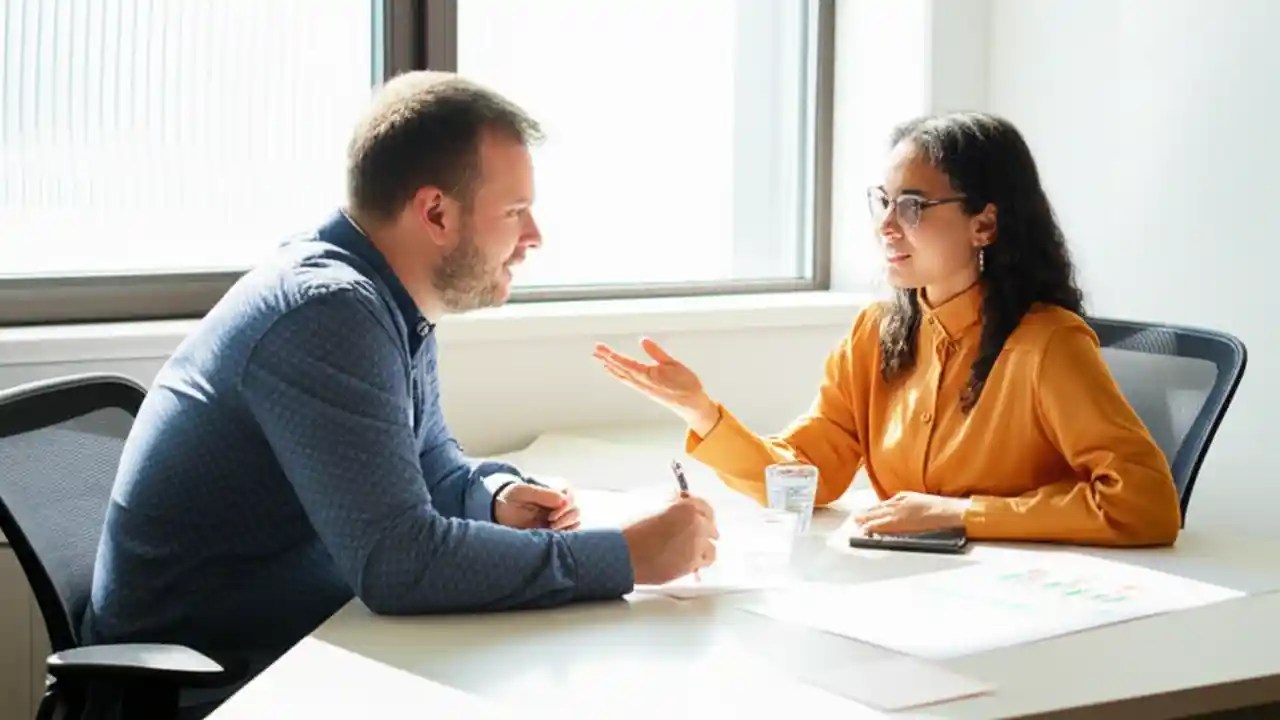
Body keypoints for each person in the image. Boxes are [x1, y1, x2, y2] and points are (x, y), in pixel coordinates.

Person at [83, 71, 718, 711]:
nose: (534, 238)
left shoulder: (385, 300)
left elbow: (429, 462)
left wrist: (491, 496)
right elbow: (400, 564)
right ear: (436, 212)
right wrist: (624, 557)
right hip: (213, 688)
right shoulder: (328, 312)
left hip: (298, 646)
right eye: (515, 212)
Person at [595, 112, 1181, 547]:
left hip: (1038, 603)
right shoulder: (876, 334)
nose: (886, 227)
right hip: (914, 591)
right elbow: (809, 477)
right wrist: (702, 413)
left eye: (914, 206)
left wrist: (961, 512)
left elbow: (1146, 505)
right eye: (884, 202)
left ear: (985, 223)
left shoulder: (1048, 343)